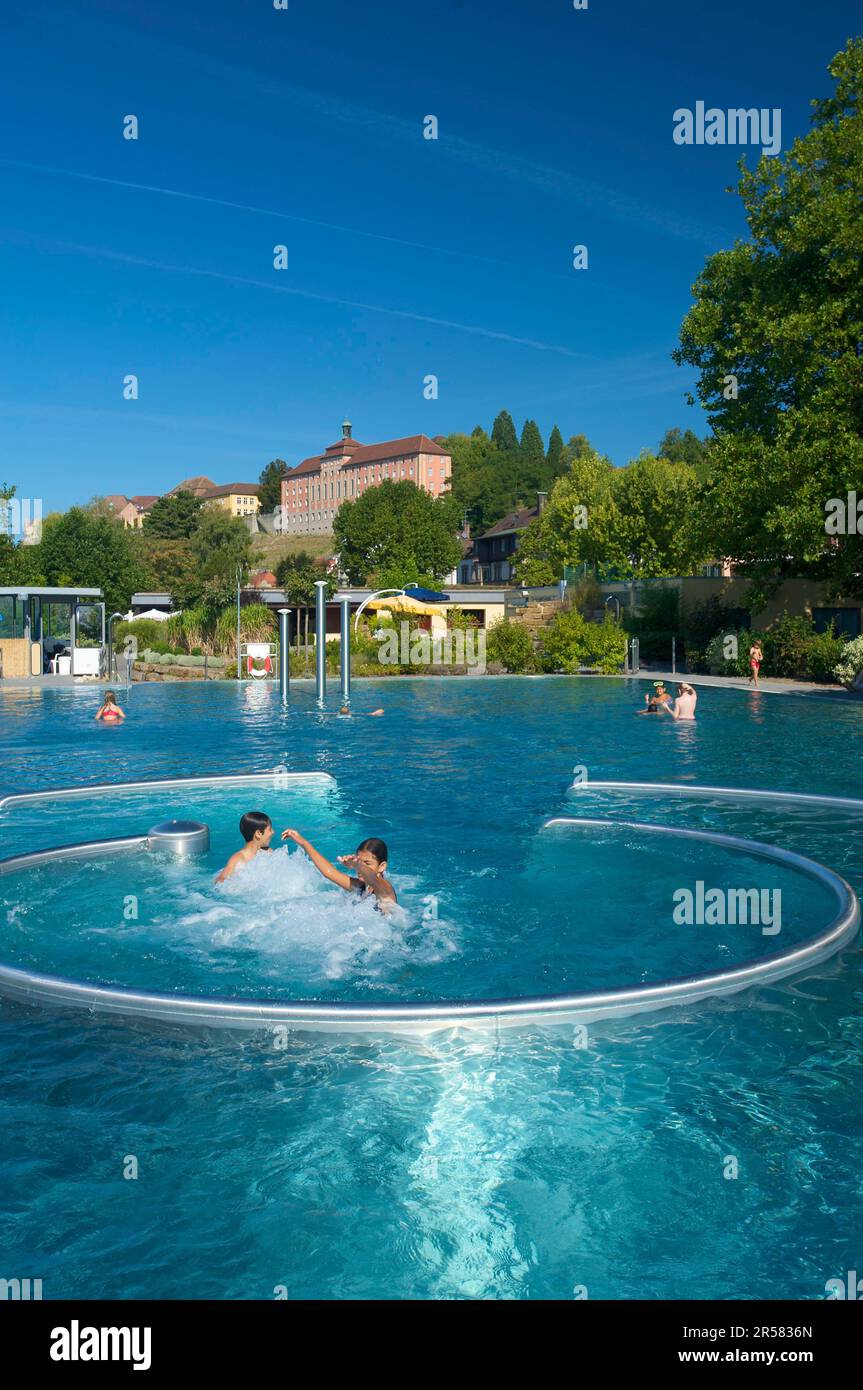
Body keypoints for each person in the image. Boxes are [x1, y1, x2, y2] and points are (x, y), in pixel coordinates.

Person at [281, 829, 397, 910]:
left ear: (382, 866)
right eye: (359, 860)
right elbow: (329, 873)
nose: (362, 867)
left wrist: (358, 865)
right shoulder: (362, 887)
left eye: (367, 863)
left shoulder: (385, 891)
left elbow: (373, 880)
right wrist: (304, 843)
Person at [216, 811, 274, 883]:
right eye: (270, 829)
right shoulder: (239, 858)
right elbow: (220, 881)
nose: (273, 832)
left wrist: (293, 836)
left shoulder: (268, 851)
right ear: (258, 834)